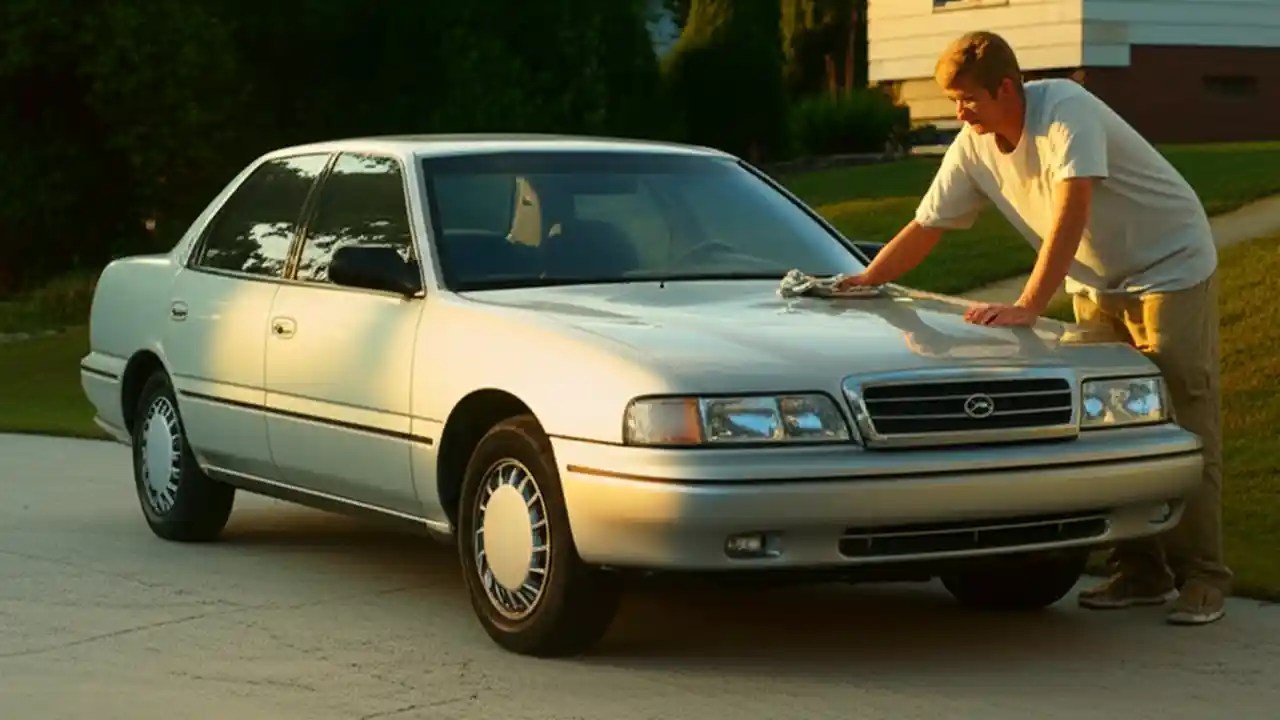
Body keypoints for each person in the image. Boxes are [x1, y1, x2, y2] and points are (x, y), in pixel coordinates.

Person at [839, 30, 1230, 625]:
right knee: (1110, 425)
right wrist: (865, 280)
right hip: (1097, 282)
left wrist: (1028, 303)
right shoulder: (974, 143)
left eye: (966, 99)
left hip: (1168, 269)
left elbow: (1073, 208)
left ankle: (1204, 576)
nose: (959, 112)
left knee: (1181, 415)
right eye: (952, 101)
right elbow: (927, 224)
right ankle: (1142, 571)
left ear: (1006, 86)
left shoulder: (1067, 111)